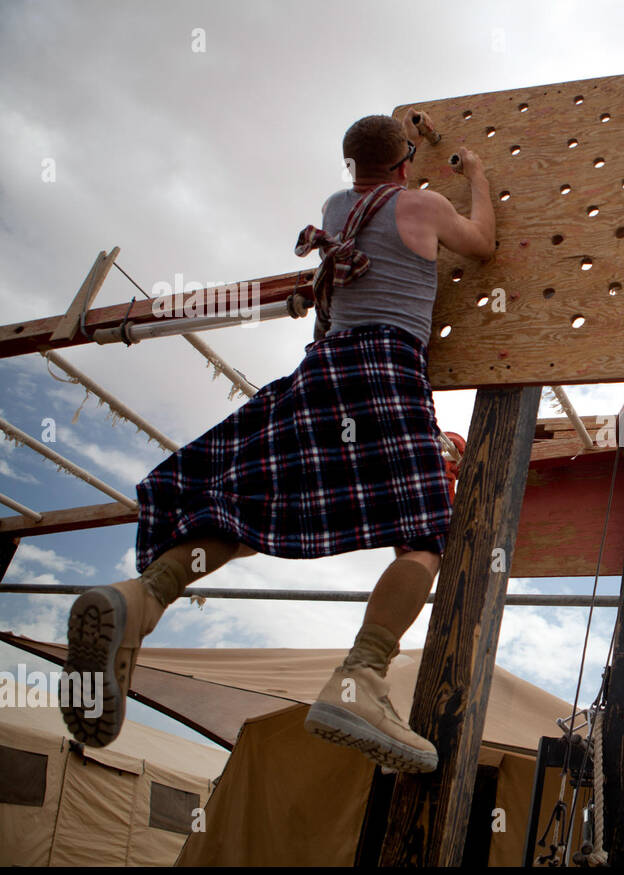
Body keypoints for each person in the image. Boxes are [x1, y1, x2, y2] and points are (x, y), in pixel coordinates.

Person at [61, 113, 495, 775]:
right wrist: (479, 176)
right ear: (407, 158)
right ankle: (359, 682)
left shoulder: (335, 208)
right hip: (385, 368)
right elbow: (486, 244)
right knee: (425, 534)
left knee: (241, 513)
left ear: (351, 168)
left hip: (321, 369)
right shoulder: (426, 205)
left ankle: (141, 598)